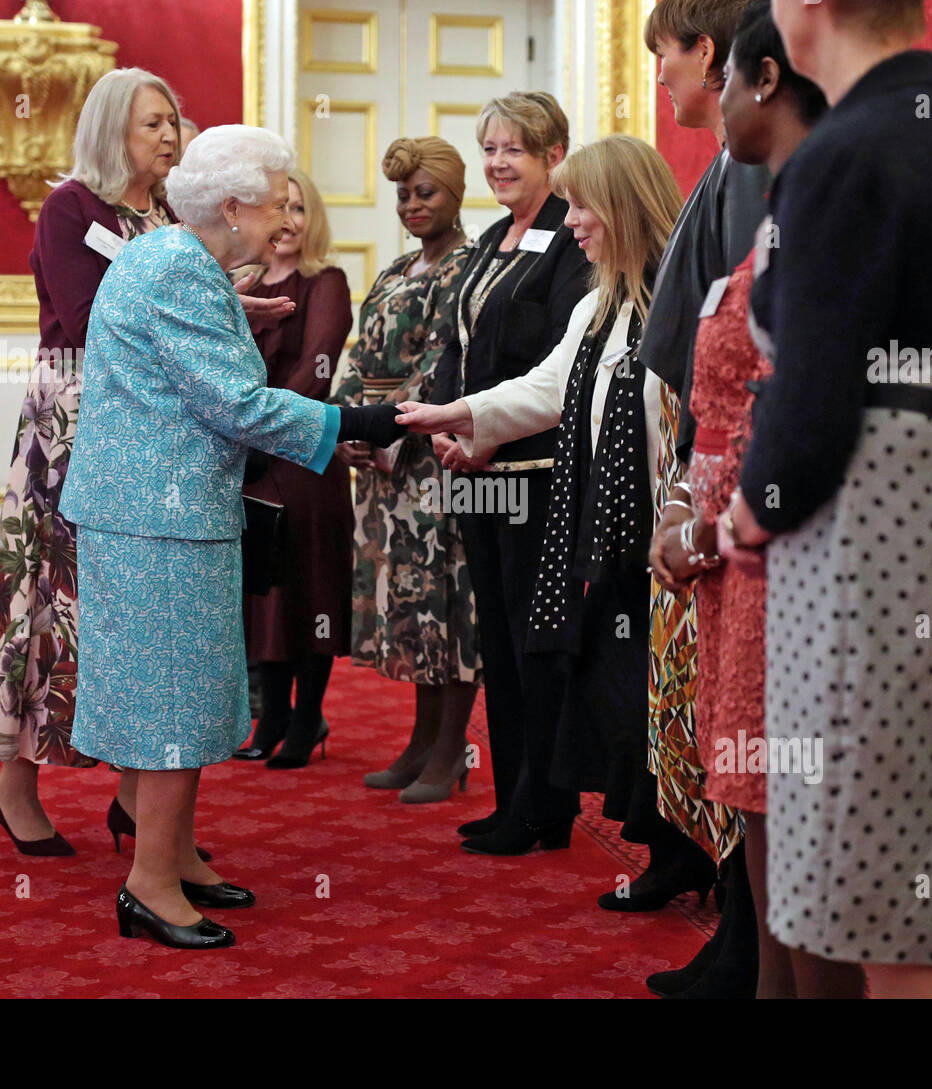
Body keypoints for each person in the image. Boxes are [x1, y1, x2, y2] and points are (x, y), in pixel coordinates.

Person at [717, 0, 932, 998]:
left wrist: (750, 507)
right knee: (925, 890)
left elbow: (814, 392)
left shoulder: (851, 147)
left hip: (871, 532)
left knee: (885, 906)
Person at [57, 125, 405, 949]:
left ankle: (171, 854)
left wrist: (226, 310)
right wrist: (363, 419)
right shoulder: (180, 266)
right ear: (235, 206)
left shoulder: (163, 254)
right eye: (278, 198)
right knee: (173, 696)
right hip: (161, 517)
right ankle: (149, 884)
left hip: (143, 510)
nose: (286, 215)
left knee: (163, 691)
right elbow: (238, 405)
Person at [400, 137, 720, 894]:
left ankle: (701, 859)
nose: (572, 221)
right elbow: (546, 389)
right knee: (625, 704)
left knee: (669, 704)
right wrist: (458, 411)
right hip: (610, 548)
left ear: (622, 206)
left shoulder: (681, 303)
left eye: (583, 205)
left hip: (668, 538)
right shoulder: (598, 305)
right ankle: (668, 852)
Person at [647, 0, 853, 999]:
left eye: (724, 77)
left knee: (802, 806)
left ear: (765, 81)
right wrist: (687, 509)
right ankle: (770, 982)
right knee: (760, 797)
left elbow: (815, 409)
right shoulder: (769, 208)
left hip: (791, 558)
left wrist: (713, 519)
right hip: (736, 565)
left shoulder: (826, 208)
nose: (710, 96)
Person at [0, 68, 186, 857]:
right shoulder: (71, 207)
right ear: (110, 128)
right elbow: (89, 321)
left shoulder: (169, 212)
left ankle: (133, 797)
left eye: (173, 121)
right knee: (52, 598)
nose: (168, 135)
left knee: (130, 604)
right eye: (152, 122)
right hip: (76, 421)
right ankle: (14, 782)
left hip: (153, 421)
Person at [638, 0, 771, 997]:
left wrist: (695, 493)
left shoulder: (756, 168)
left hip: (740, 493)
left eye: (668, 59)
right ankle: (747, 937)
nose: (663, 81)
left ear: (716, 55)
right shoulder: (728, 168)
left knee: (742, 728)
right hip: (715, 482)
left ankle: (753, 946)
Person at [429, 92, 591, 851]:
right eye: (489, 148)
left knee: (536, 642)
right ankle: (511, 798)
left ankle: (544, 806)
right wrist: (451, 426)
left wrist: (486, 431)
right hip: (476, 466)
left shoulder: (572, 239)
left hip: (537, 469)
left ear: (554, 155)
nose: (497, 162)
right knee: (496, 637)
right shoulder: (494, 236)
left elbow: (561, 357)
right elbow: (460, 347)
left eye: (513, 150)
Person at [333, 137, 481, 803]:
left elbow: (441, 366)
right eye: (403, 194)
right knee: (412, 607)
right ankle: (420, 742)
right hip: (385, 467)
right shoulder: (395, 269)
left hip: (435, 461)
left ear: (455, 193)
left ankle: (451, 749)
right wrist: (345, 429)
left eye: (426, 192)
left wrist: (384, 429)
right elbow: (359, 360)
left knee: (448, 603)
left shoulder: (467, 267)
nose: (413, 205)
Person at [231, 169, 354, 768]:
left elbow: (319, 367)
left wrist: (267, 427)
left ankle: (308, 720)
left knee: (309, 590)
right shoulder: (241, 283)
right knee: (266, 593)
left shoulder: (324, 281)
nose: (290, 221)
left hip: (304, 457)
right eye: (282, 208)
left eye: (301, 209)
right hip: (250, 458)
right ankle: (272, 715)